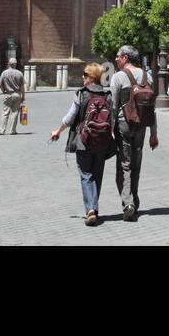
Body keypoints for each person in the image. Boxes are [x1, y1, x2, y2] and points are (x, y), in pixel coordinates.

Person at [49, 63, 112, 225]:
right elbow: (112, 120)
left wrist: (57, 131)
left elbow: (70, 118)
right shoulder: (108, 95)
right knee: (97, 175)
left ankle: (90, 209)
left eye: (85, 75)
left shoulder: (81, 94)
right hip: (102, 142)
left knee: (86, 175)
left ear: (91, 78)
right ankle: (94, 208)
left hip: (84, 141)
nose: (82, 77)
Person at [109, 44, 159, 221]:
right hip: (142, 126)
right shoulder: (148, 77)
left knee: (124, 164)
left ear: (125, 58)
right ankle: (134, 200)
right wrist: (154, 133)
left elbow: (113, 107)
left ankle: (128, 202)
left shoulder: (118, 77)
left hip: (124, 124)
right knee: (136, 163)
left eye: (118, 56)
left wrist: (110, 128)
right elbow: (152, 108)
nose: (116, 59)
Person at [0, 58, 25, 135]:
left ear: (9, 64)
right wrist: (23, 96)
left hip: (8, 94)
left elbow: (0, 84)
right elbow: (22, 87)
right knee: (15, 112)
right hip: (17, 94)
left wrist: (4, 91)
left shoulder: (4, 73)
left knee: (5, 113)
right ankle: (12, 130)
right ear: (15, 64)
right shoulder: (19, 73)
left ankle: (2, 130)